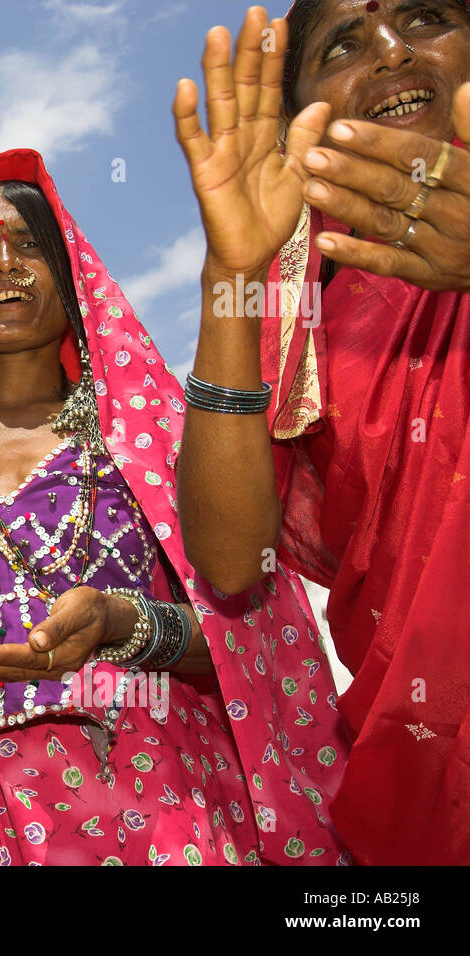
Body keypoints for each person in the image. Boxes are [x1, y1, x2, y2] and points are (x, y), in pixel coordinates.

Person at [0, 148, 349, 866]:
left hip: (146, 801)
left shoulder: (151, 437)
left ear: (71, 276)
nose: (3, 263)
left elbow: (246, 638)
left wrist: (122, 624)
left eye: (28, 246)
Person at [173, 3, 469, 864]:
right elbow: (230, 563)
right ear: (298, 118)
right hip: (421, 792)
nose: (389, 52)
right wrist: (232, 273)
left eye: (424, 15)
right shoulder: (307, 328)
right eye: (343, 44)